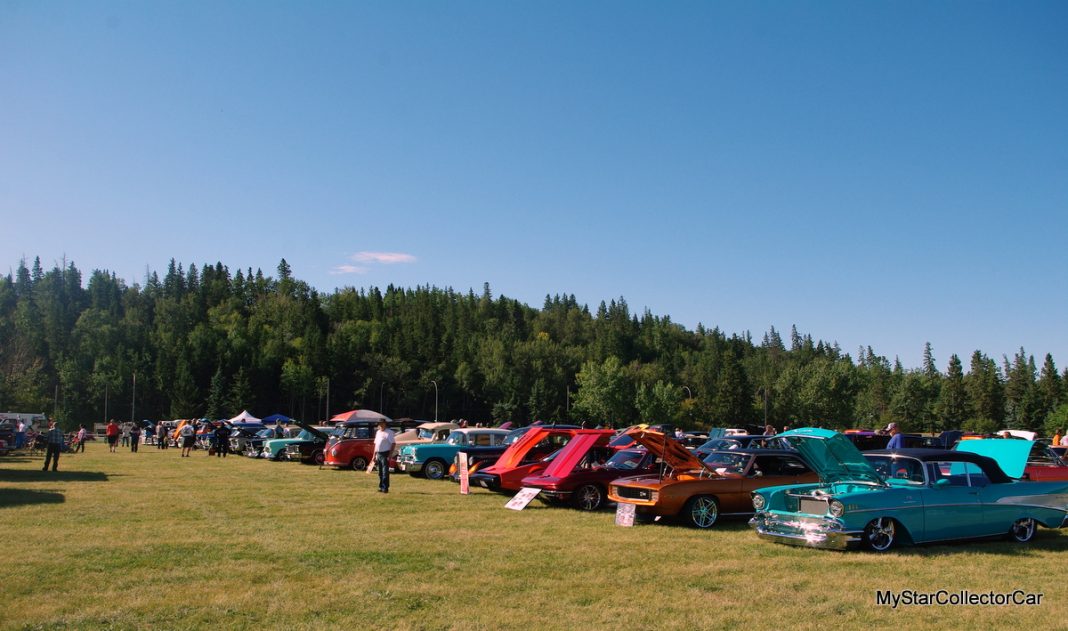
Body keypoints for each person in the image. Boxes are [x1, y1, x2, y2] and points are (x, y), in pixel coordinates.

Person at [370, 420, 395, 493]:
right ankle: (381, 487)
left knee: (385, 472)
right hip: (379, 454)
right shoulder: (378, 432)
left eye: (382, 424)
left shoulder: (389, 432)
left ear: (385, 424)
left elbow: (393, 444)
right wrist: (374, 456)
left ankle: (385, 488)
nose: (380, 425)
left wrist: (390, 455)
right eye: (379, 424)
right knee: (380, 472)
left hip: (385, 454)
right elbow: (376, 445)